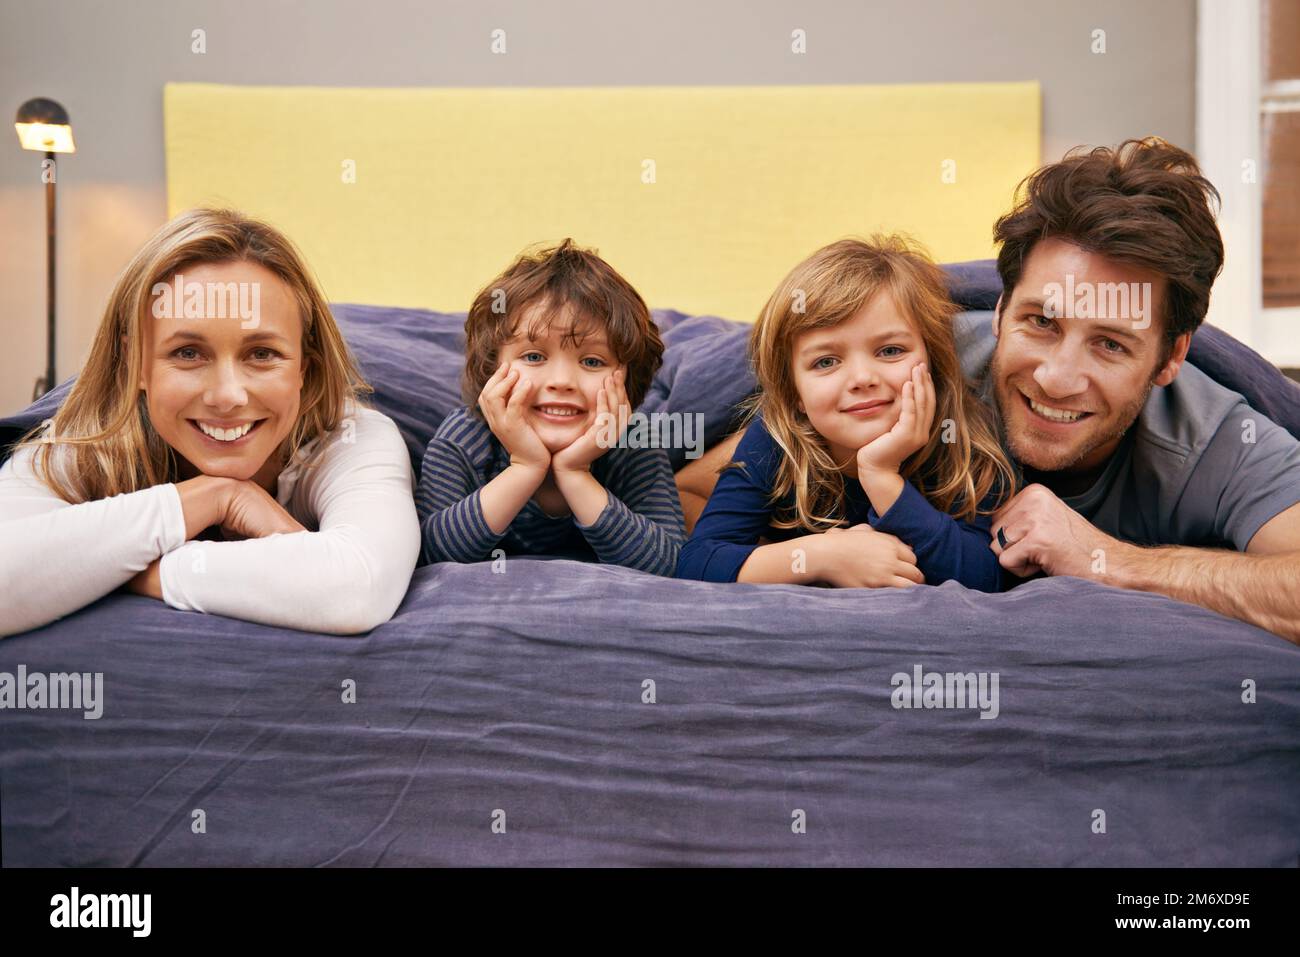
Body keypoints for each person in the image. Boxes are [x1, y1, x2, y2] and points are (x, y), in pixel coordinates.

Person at [677, 139, 1300, 643]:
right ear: (999, 312)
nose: (1056, 377)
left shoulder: (1217, 440)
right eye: (1041, 321)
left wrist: (1108, 559)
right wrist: (812, 560)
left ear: (1170, 357)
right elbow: (698, 485)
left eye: (1111, 343)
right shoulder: (915, 368)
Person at [0, 208, 420, 636]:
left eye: (262, 354)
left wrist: (129, 571)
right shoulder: (86, 445)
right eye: (188, 353)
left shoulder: (353, 437)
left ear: (304, 370)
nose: (227, 396)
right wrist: (213, 498)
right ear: (136, 365)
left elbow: (357, 588)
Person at [675, 235, 1015, 590]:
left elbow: (987, 578)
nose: (862, 378)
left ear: (934, 359)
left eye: (889, 351)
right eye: (826, 361)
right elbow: (697, 562)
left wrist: (883, 478)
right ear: (794, 395)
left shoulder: (965, 438)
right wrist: (822, 556)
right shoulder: (776, 440)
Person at [416, 239, 684, 575]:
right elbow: (432, 553)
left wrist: (575, 472)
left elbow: (668, 562)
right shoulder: (464, 437)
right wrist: (526, 466)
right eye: (533, 356)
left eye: (591, 361)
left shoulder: (632, 443)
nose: (562, 381)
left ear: (628, 383)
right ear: (491, 370)